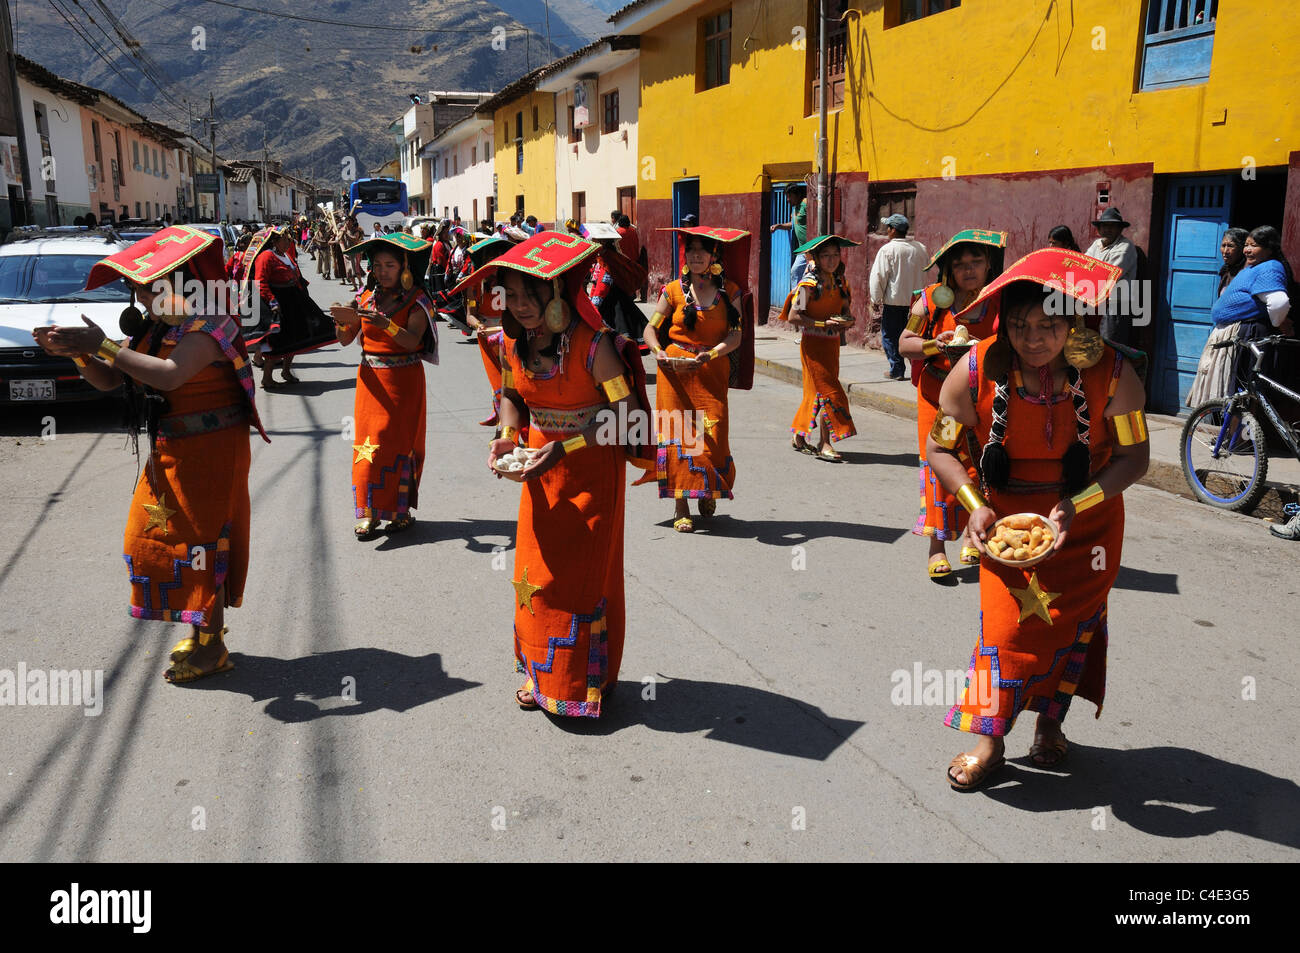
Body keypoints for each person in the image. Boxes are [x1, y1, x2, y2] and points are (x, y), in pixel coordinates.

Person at [925, 248, 1149, 790]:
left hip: (1087, 523)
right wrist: (975, 509)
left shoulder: (1114, 374)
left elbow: (1134, 459)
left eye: (1048, 325)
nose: (1033, 340)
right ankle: (988, 740)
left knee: (1074, 631)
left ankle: (1051, 725)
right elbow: (939, 449)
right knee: (1003, 632)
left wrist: (1078, 504)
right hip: (1004, 526)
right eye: (1021, 326)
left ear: (1072, 324)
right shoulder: (975, 367)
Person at [32, 225, 269, 683]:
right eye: (136, 289)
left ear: (174, 282)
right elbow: (111, 379)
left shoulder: (209, 322)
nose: (138, 298)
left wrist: (98, 344)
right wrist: (75, 355)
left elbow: (168, 376)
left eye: (144, 288)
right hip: (172, 449)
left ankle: (212, 644)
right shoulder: (157, 327)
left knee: (202, 545)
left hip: (212, 452)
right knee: (157, 539)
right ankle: (203, 634)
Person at [459, 232, 651, 717]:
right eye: (512, 294)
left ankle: (584, 684)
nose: (520, 306)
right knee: (537, 576)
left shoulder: (593, 346)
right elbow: (512, 395)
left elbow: (624, 415)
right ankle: (540, 672)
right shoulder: (510, 341)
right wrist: (506, 435)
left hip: (590, 476)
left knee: (579, 580)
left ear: (557, 293)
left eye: (530, 294)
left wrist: (564, 447)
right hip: (539, 475)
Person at [899, 228, 1006, 578]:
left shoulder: (1002, 298)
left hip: (983, 398)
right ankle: (936, 546)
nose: (969, 269)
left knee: (978, 465)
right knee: (940, 469)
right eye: (960, 264)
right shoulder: (931, 300)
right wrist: (935, 345)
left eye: (976, 261)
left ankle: (972, 537)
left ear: (989, 264)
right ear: (948, 270)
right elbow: (905, 343)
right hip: (940, 398)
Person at [329, 233, 436, 539]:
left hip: (404, 382)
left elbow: (412, 340)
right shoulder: (365, 298)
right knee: (368, 446)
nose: (381, 271)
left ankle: (399, 510)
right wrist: (342, 319)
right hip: (370, 382)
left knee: (398, 445)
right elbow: (346, 339)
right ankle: (368, 512)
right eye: (377, 265)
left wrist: (384, 323)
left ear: (404, 266)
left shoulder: (417, 300)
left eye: (389, 265)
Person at [646, 227, 751, 532]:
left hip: (710, 369)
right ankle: (681, 504)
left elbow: (735, 335)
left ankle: (708, 486)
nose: (695, 256)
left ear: (713, 256)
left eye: (701, 251)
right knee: (679, 438)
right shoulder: (672, 291)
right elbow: (651, 329)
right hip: (674, 371)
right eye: (690, 250)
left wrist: (714, 354)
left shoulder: (729, 292)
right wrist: (657, 351)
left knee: (712, 437)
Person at [1186, 225, 1294, 407]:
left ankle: (1244, 434)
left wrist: (1278, 321)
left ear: (1269, 249)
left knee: (1246, 390)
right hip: (1242, 333)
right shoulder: (1254, 267)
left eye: (1254, 245)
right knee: (1239, 389)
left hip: (1252, 334)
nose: (1247, 250)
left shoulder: (1270, 267)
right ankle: (1236, 434)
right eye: (1247, 245)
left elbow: (1278, 302)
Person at [782, 235, 859, 461]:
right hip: (813, 345)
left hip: (832, 345)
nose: (831, 260)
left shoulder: (841, 283)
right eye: (825, 255)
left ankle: (798, 434)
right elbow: (794, 317)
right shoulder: (808, 285)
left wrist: (847, 322)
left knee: (814, 394)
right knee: (829, 393)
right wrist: (822, 324)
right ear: (816, 258)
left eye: (835, 255)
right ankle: (825, 443)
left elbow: (847, 313)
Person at [243, 225, 335, 388]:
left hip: (293, 300)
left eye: (289, 239)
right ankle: (267, 377)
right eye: (285, 240)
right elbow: (261, 282)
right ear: (275, 241)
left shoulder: (286, 255)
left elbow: (295, 275)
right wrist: (272, 301)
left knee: (295, 337)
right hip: (278, 303)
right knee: (277, 341)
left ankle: (286, 371)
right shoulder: (266, 256)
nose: (289, 242)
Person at [869, 213, 930, 380]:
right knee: (914, 337)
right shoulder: (920, 248)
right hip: (917, 304)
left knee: (890, 336)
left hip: (894, 303)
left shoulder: (888, 250)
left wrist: (875, 299)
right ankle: (919, 370)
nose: (886, 230)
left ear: (893, 230)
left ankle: (896, 369)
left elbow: (879, 277)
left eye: (888, 227)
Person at [1084, 208, 1139, 347]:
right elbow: (1083, 266)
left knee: (1110, 344)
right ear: (1099, 228)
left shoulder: (1125, 247)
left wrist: (1091, 271)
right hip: (1096, 301)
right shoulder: (1096, 245)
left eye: (1112, 226)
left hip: (1116, 304)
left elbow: (1109, 274)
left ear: (1120, 229)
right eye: (1104, 225)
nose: (1107, 229)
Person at [1217, 227, 1249, 297]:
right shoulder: (1226, 271)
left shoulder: (1248, 272)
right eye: (1223, 245)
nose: (1225, 251)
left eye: (1230, 246)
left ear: (1242, 248)